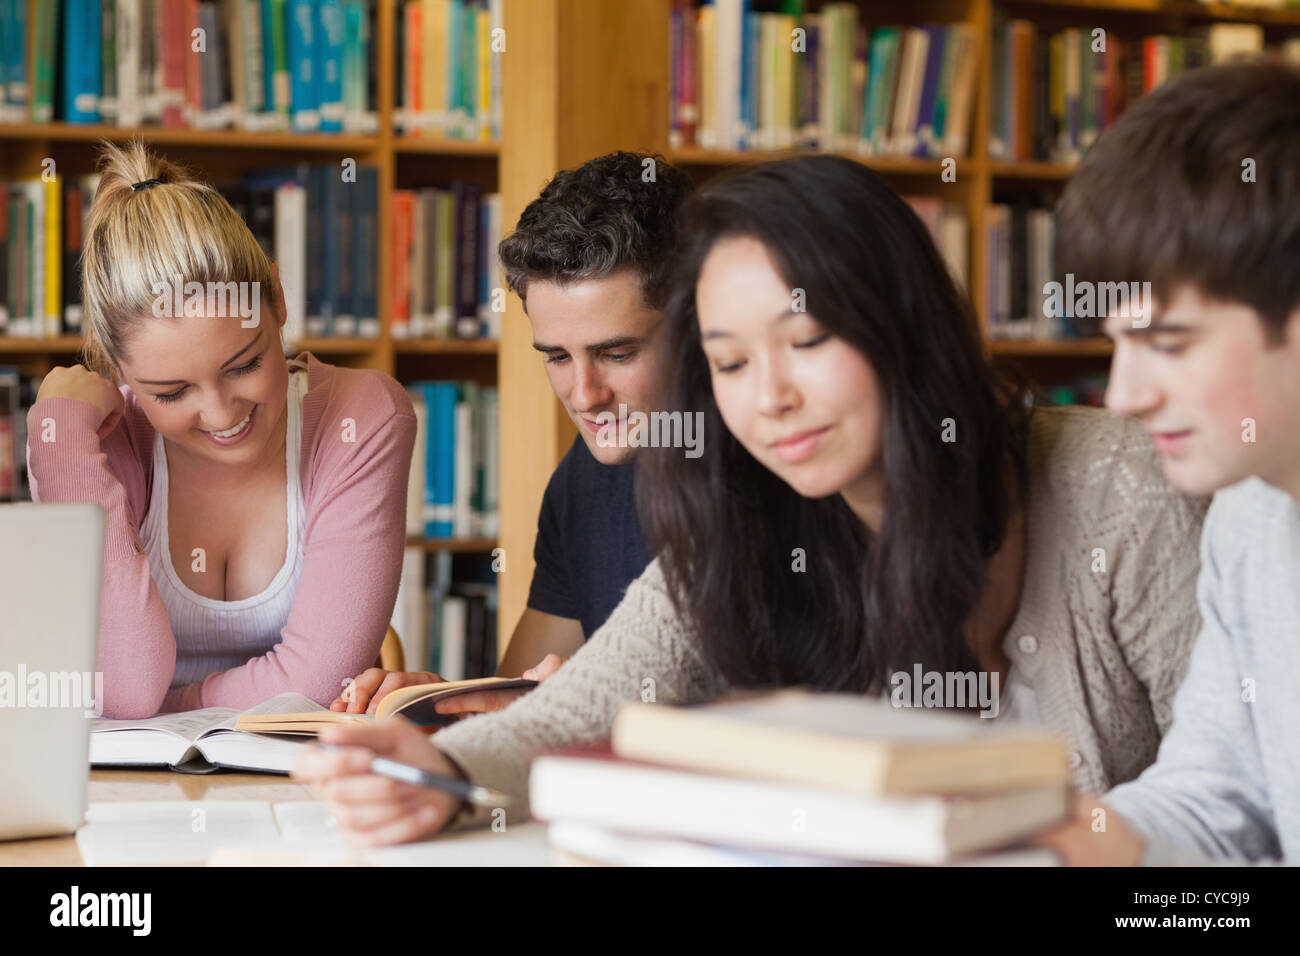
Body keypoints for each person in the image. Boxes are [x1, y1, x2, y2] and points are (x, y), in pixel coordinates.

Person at [294, 155, 1206, 846]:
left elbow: (1239, 801)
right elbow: (576, 712)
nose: (766, 399)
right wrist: (436, 769)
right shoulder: (739, 504)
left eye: (804, 341)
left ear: (903, 325)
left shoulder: (1120, 490)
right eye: (729, 362)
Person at [25, 140, 415, 718]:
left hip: (291, 783)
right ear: (116, 369)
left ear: (278, 301)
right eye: (172, 392)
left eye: (245, 365)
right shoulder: (91, 444)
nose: (222, 413)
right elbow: (125, 683)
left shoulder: (361, 418)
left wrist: (162, 709)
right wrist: (59, 437)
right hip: (123, 791)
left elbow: (313, 685)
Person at [1035, 60, 1300, 866]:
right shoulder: (1249, 517)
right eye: (1116, 345)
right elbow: (1218, 802)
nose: (1122, 395)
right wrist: (1036, 846)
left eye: (1168, 343)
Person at [331, 152, 694, 716]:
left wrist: (595, 708)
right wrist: (438, 706)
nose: (583, 395)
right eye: (556, 357)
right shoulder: (584, 477)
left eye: (617, 353)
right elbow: (518, 705)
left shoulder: (782, 469)